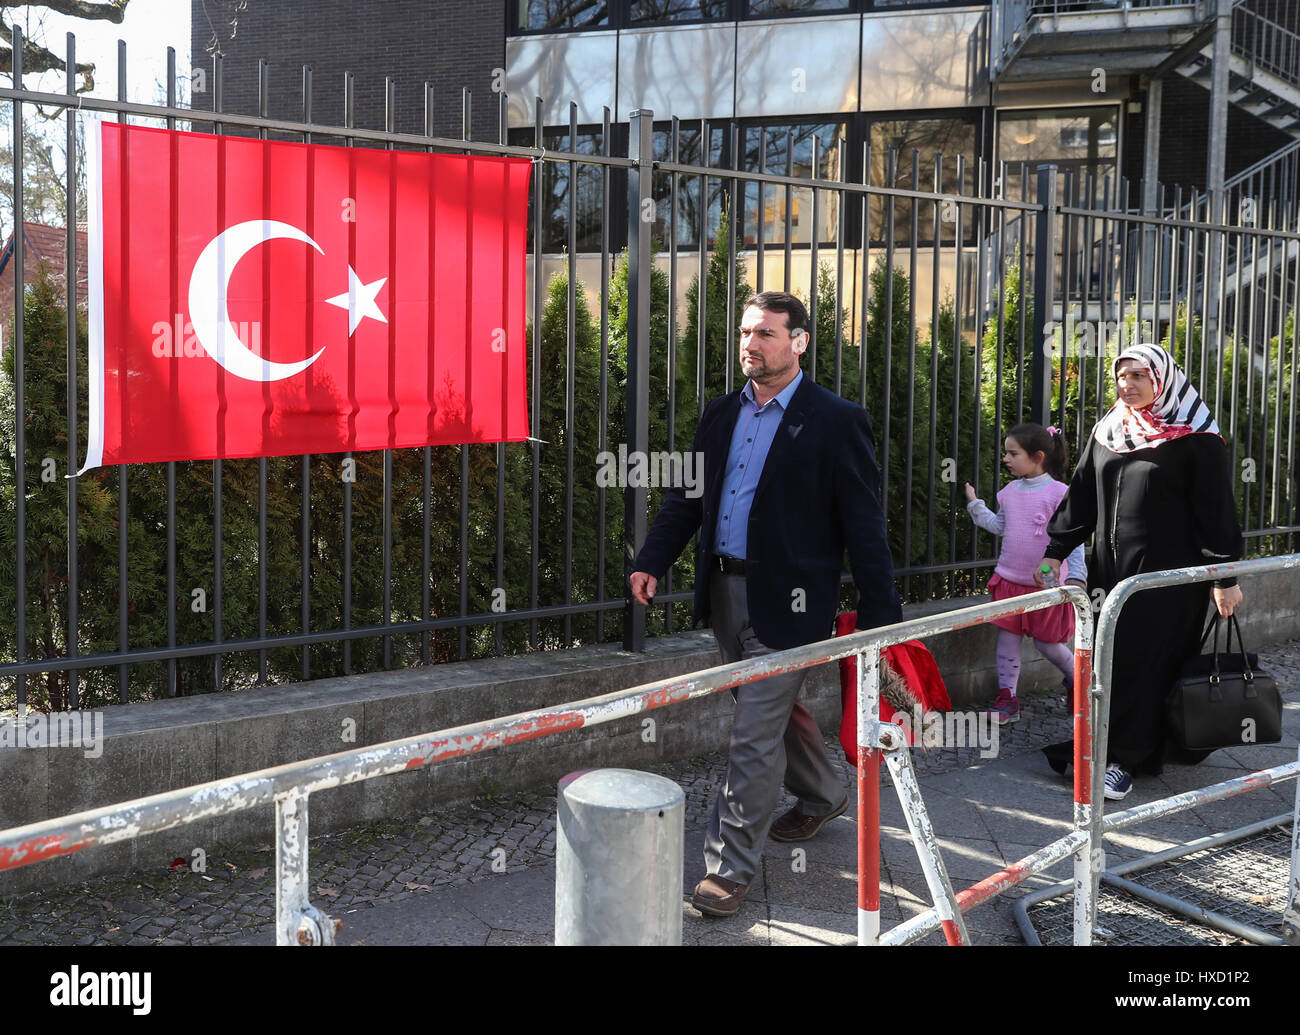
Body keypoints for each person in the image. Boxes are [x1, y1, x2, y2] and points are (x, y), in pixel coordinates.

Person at [629, 290, 900, 918]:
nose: (752, 344)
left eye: (768, 334)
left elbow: (865, 525)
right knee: (771, 710)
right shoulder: (721, 414)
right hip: (726, 591)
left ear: (800, 342)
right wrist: (651, 561)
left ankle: (729, 870)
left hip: (793, 602)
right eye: (747, 333)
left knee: (751, 737)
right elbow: (687, 501)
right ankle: (825, 791)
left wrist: (881, 618)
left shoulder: (836, 420)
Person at [1039, 343, 1244, 800]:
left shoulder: (1196, 437)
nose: (1127, 385)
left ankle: (1123, 759)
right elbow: (1082, 496)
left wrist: (1224, 577)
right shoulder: (1110, 430)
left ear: (1162, 380)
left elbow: (1215, 511)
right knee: (1105, 663)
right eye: (1121, 376)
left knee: (1143, 662)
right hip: (1107, 574)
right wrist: (1057, 550)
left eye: (1138, 376)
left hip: (1165, 578)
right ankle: (1107, 747)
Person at [963, 423, 1088, 725]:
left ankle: (1080, 684)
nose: (1006, 458)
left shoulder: (1060, 494)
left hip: (1046, 586)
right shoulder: (1009, 492)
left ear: (1038, 456)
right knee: (1007, 639)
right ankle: (1007, 697)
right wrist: (974, 504)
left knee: (1047, 644)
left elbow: (1071, 538)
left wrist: (1077, 576)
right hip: (1009, 581)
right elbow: (999, 526)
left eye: (1013, 453)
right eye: (1006, 452)